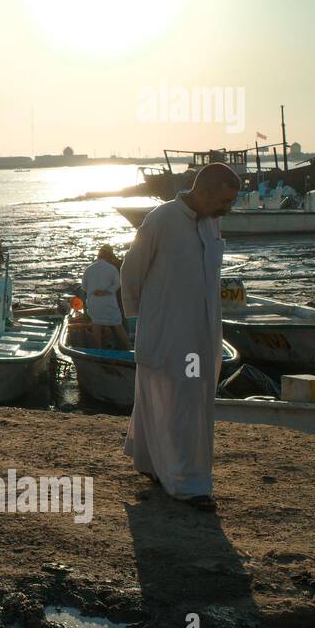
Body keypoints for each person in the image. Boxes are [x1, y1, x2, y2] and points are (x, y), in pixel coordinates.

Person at [121, 163, 240, 510]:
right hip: (170, 331)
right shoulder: (162, 219)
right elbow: (132, 269)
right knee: (182, 402)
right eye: (224, 200)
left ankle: (151, 463)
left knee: (183, 399)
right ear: (203, 192)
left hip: (203, 329)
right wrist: (146, 319)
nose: (228, 208)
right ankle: (189, 485)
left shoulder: (211, 221)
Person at [82, 245, 131, 350]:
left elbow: (84, 287)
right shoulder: (112, 268)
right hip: (108, 303)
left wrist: (94, 292)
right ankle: (130, 348)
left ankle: (99, 352)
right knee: (118, 325)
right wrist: (106, 292)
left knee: (96, 326)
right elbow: (118, 284)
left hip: (93, 303)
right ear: (109, 256)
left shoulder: (88, 269)